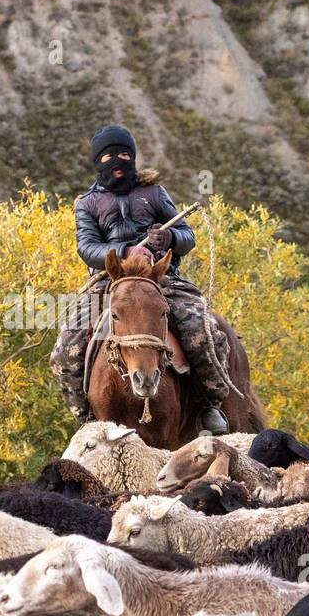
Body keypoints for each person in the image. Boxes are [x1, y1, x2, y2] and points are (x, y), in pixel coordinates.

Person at [50, 124, 231, 434]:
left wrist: (169, 238)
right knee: (65, 350)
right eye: (109, 157)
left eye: (124, 154)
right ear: (98, 163)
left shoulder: (155, 192)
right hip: (109, 283)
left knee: (205, 332)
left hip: (160, 280)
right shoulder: (87, 204)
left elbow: (188, 235)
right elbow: (87, 247)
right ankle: (87, 419)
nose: (118, 162)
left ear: (132, 156)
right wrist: (124, 250)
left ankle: (208, 405)